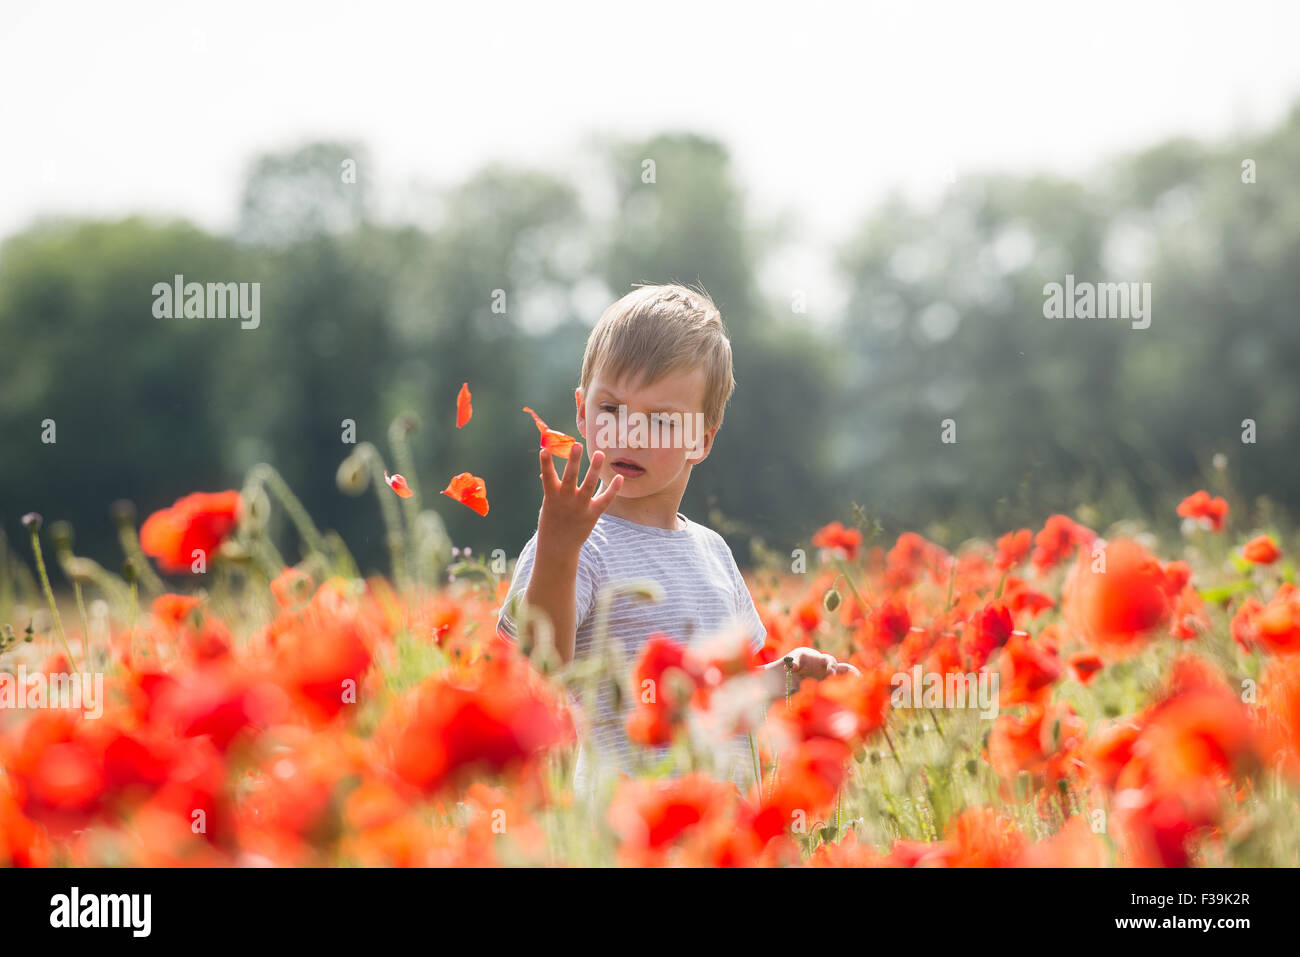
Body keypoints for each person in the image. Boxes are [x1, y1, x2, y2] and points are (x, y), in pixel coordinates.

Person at [496, 283, 857, 801]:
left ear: (702, 439)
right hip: (624, 833)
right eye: (611, 407)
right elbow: (539, 671)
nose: (630, 434)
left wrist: (785, 678)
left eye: (661, 420)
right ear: (581, 410)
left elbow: (718, 697)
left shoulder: (712, 553)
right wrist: (557, 551)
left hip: (723, 834)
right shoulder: (577, 544)